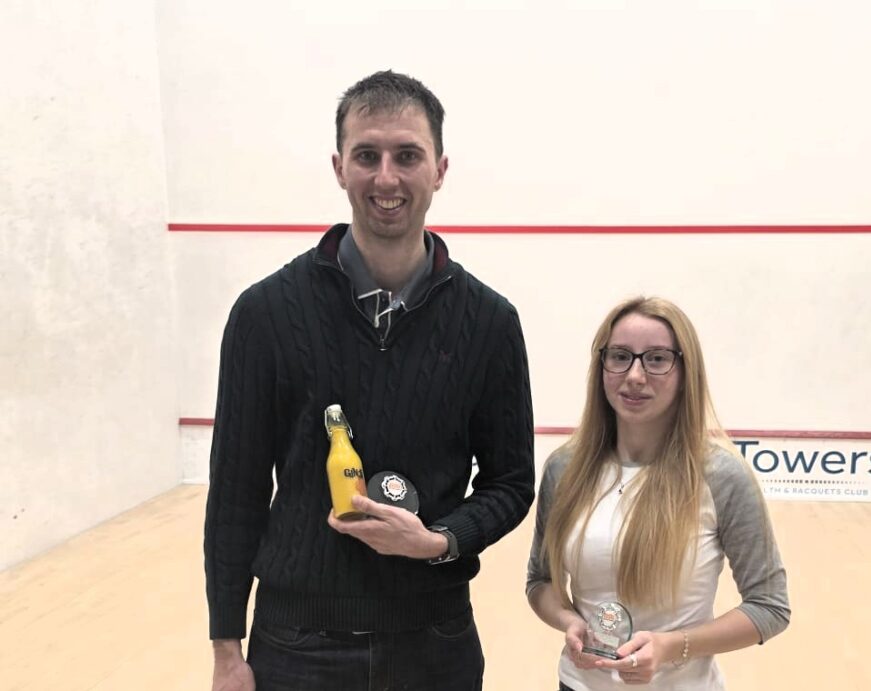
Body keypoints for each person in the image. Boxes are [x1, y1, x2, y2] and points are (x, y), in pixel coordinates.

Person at [205, 70, 535, 691]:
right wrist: (227, 648)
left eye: (407, 156)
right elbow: (235, 493)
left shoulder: (491, 322)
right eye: (367, 156)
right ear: (339, 168)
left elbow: (511, 483)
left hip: (435, 644)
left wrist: (439, 541)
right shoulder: (264, 313)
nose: (386, 178)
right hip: (295, 646)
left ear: (439, 169)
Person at [526, 297, 789, 690]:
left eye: (657, 359)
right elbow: (540, 580)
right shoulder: (564, 469)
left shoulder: (722, 476)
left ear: (685, 371)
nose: (634, 375)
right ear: (601, 366)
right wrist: (569, 621)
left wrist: (671, 647)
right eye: (620, 357)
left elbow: (769, 606)